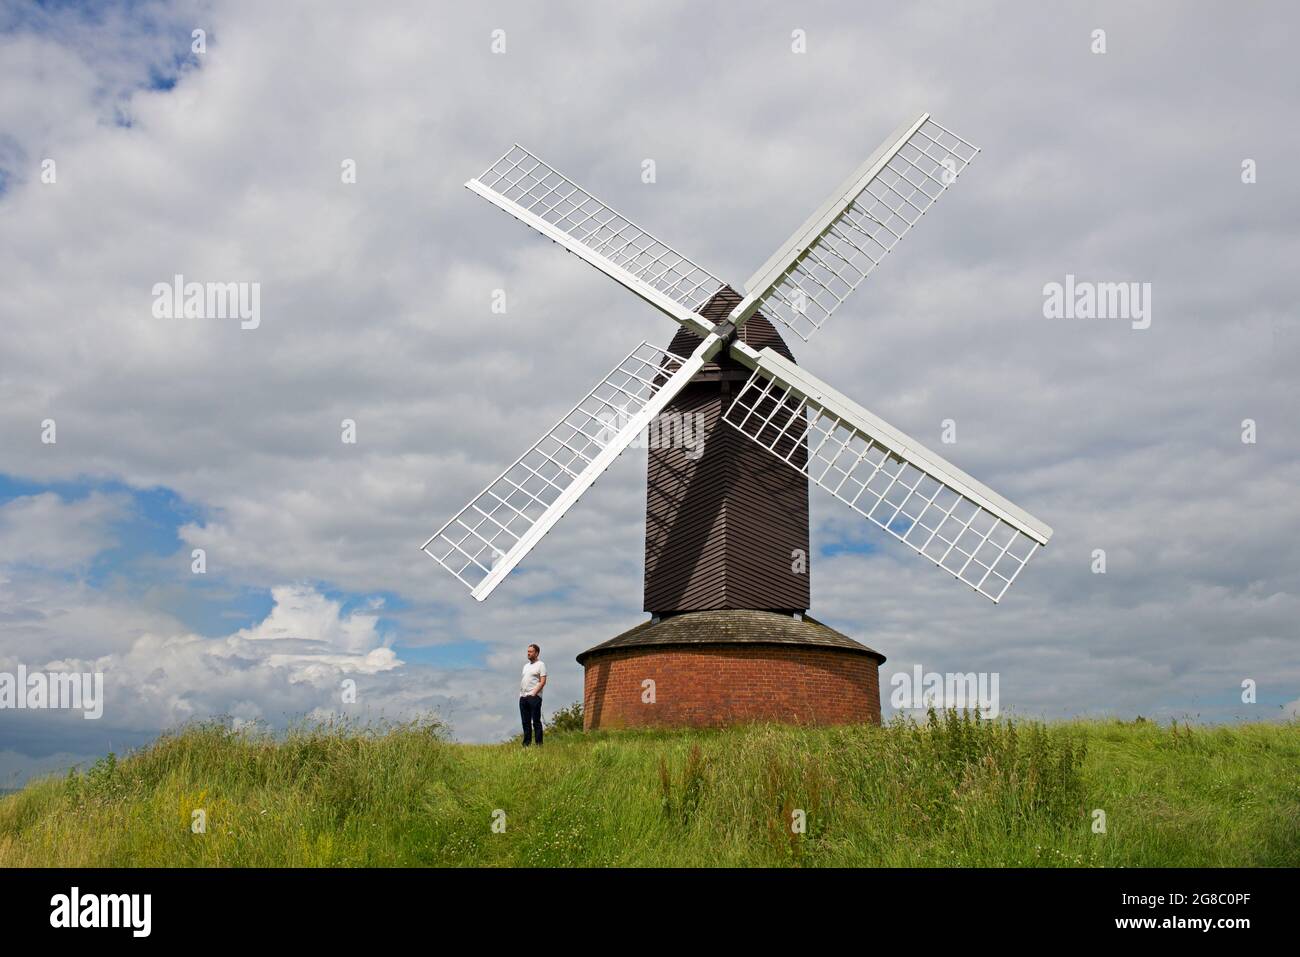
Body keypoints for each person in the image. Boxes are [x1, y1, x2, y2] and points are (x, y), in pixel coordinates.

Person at [519, 643, 547, 747]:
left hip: (534, 697)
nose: (528, 653)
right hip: (523, 697)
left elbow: (543, 681)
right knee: (525, 722)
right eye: (528, 651)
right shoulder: (525, 666)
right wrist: (522, 695)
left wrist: (533, 693)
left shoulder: (541, 665)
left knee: (536, 721)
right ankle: (526, 745)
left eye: (530, 652)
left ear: (537, 653)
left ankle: (539, 744)